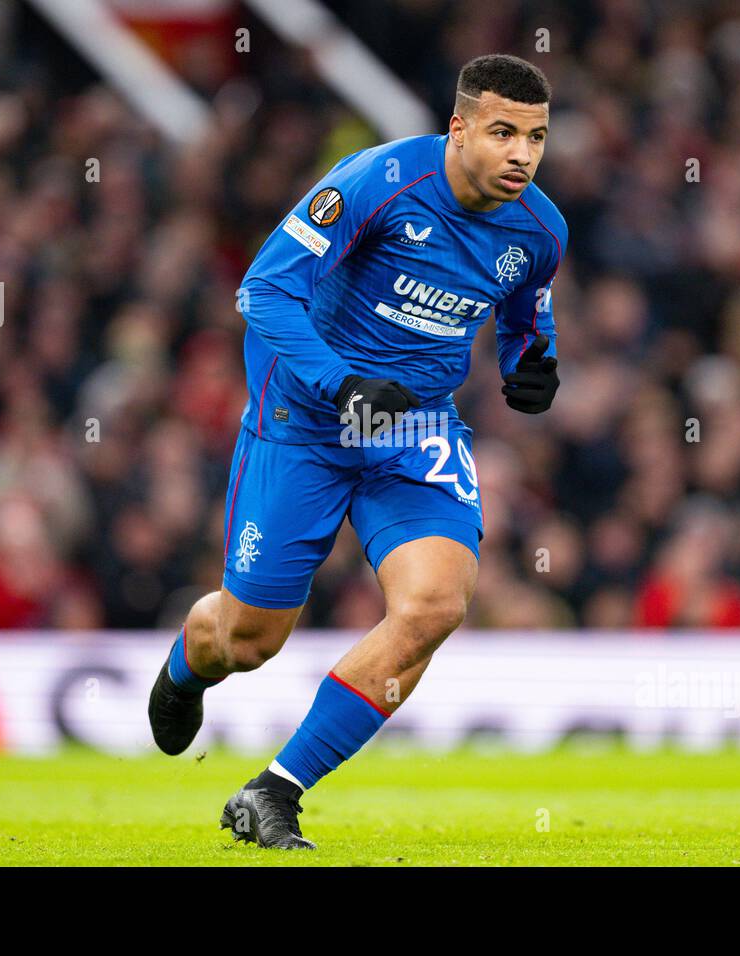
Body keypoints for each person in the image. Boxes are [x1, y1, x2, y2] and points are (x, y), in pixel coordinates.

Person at [148, 53, 567, 848]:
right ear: (459, 128)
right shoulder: (377, 181)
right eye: (504, 132)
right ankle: (188, 662)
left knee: (435, 606)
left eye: (537, 138)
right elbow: (264, 290)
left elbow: (524, 319)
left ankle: (275, 790)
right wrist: (340, 383)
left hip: (415, 430)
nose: (522, 154)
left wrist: (530, 366)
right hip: (305, 423)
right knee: (248, 641)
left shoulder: (541, 230)